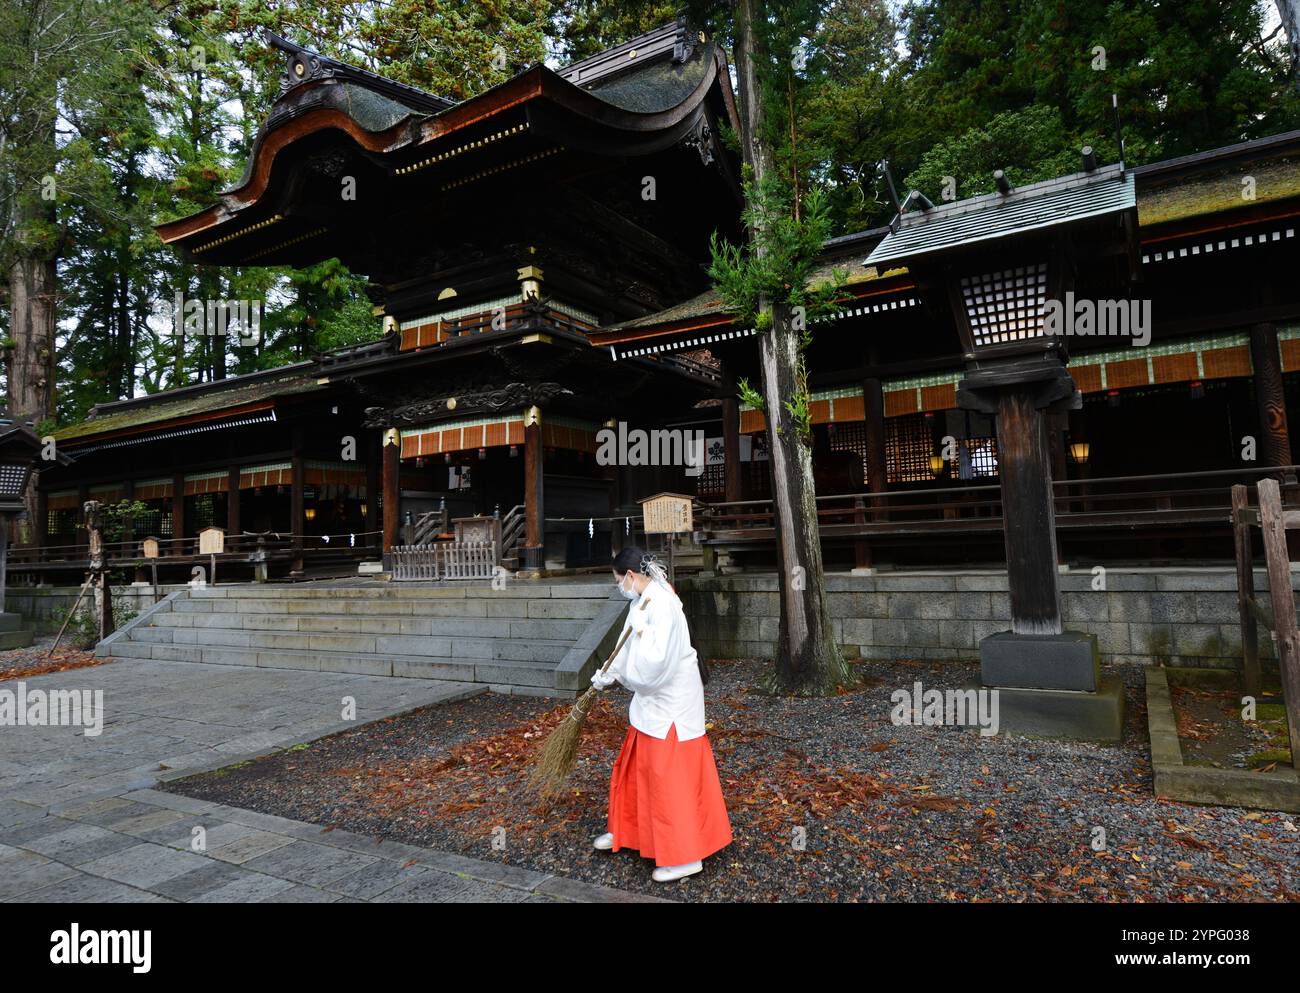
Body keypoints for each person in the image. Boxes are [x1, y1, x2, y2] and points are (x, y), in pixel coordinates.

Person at [589, 546, 733, 882]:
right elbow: (627, 646)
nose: (618, 587)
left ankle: (685, 856)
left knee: (668, 781)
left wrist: (622, 676)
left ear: (630, 576)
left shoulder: (663, 604)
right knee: (636, 770)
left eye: (618, 581)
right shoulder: (641, 600)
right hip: (651, 705)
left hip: (670, 705)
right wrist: (609, 671)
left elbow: (653, 667)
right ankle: (629, 833)